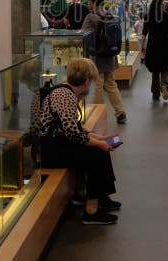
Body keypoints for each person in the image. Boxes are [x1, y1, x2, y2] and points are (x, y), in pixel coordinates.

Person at [31, 57, 122, 225]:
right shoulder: (66, 96)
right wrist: (99, 143)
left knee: (99, 148)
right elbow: (74, 134)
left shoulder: (63, 91)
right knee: (97, 154)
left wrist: (99, 138)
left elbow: (74, 128)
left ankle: (99, 196)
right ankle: (91, 210)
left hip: (52, 146)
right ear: (87, 81)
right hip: (50, 151)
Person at [81, 0, 127, 124]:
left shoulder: (91, 17)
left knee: (99, 83)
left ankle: (97, 114)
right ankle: (120, 112)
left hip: (98, 55)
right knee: (111, 83)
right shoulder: (109, 14)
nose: (88, 2)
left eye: (89, 0)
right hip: (110, 55)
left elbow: (83, 34)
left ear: (93, 2)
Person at [142, 0, 168, 101]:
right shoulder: (165, 15)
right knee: (164, 68)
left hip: (152, 45)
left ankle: (155, 93)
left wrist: (142, 46)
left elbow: (144, 33)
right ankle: (164, 85)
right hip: (164, 45)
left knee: (155, 70)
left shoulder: (148, 16)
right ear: (161, 5)